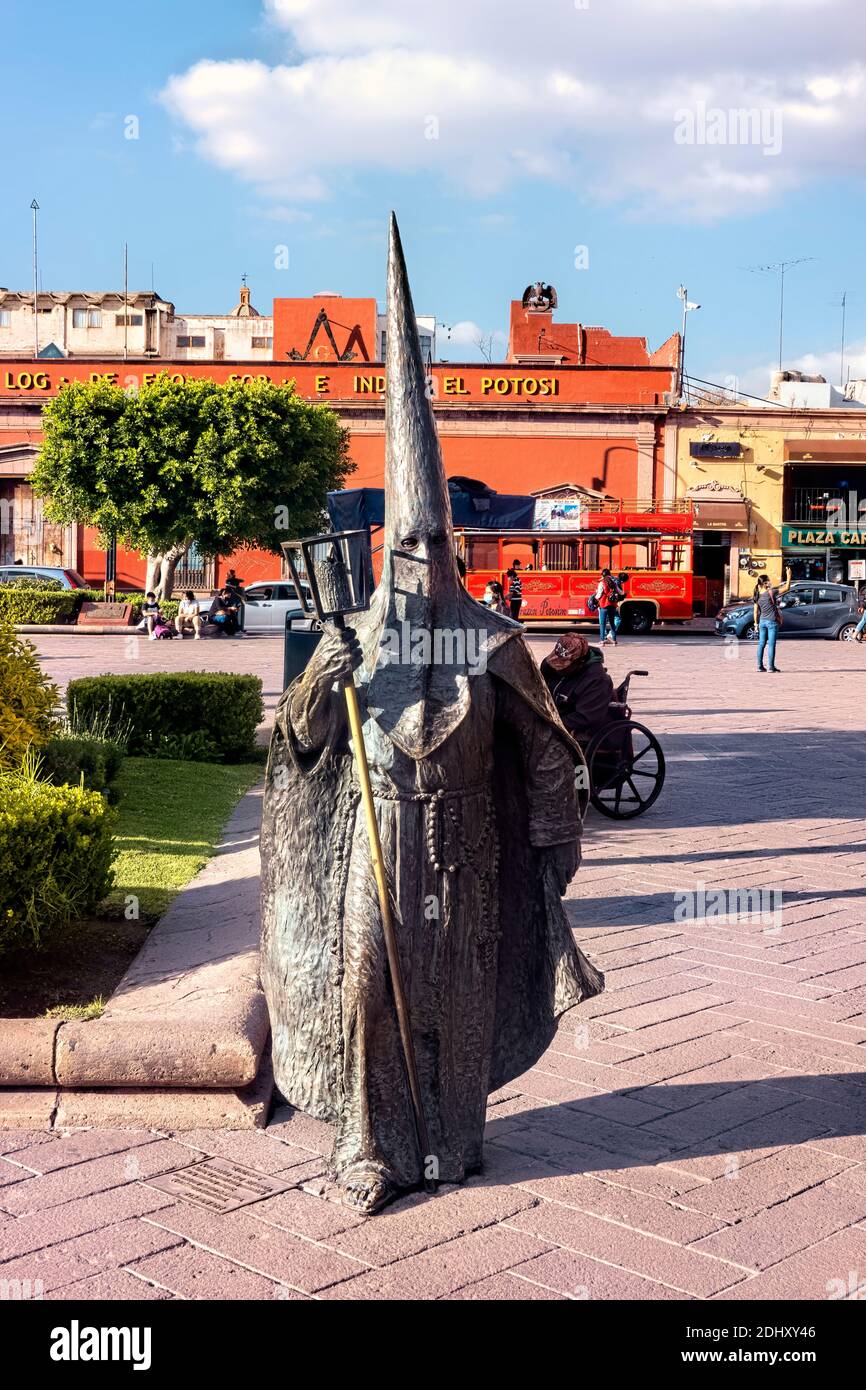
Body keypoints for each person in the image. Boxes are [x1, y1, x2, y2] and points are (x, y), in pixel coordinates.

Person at [260, 213, 602, 1216]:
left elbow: (545, 750)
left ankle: (452, 1137)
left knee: (454, 1001)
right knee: (368, 990)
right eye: (401, 550)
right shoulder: (355, 637)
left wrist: (553, 848)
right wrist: (323, 674)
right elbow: (301, 747)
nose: (417, 567)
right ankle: (365, 1149)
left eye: (430, 547)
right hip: (378, 846)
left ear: (449, 547)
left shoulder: (491, 635)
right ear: (384, 553)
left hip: (467, 849)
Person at [540, 633, 615, 744]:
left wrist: (550, 724)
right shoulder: (559, 658)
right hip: (553, 714)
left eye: (563, 666)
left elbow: (584, 717)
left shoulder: (597, 680)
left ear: (580, 662)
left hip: (575, 727)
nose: (558, 669)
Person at [753, 569, 791, 672]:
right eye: (768, 580)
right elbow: (787, 588)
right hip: (772, 622)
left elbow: (755, 612)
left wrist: (756, 624)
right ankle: (771, 667)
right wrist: (788, 576)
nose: (770, 582)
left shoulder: (757, 595)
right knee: (771, 645)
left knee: (761, 644)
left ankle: (759, 666)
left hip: (762, 622)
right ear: (765, 583)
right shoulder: (771, 592)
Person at [594, 568, 619, 646]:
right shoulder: (614, 583)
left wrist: (595, 597)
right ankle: (614, 641)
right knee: (612, 623)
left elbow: (599, 595)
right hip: (612, 605)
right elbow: (619, 591)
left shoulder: (602, 583)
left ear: (602, 575)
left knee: (603, 624)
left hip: (604, 605)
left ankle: (602, 641)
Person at [612, 572, 629, 639]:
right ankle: (611, 634)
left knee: (603, 620)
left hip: (602, 603)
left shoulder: (612, 579)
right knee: (617, 619)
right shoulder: (618, 583)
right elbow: (620, 593)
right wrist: (624, 595)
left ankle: (603, 636)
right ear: (623, 580)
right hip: (612, 603)